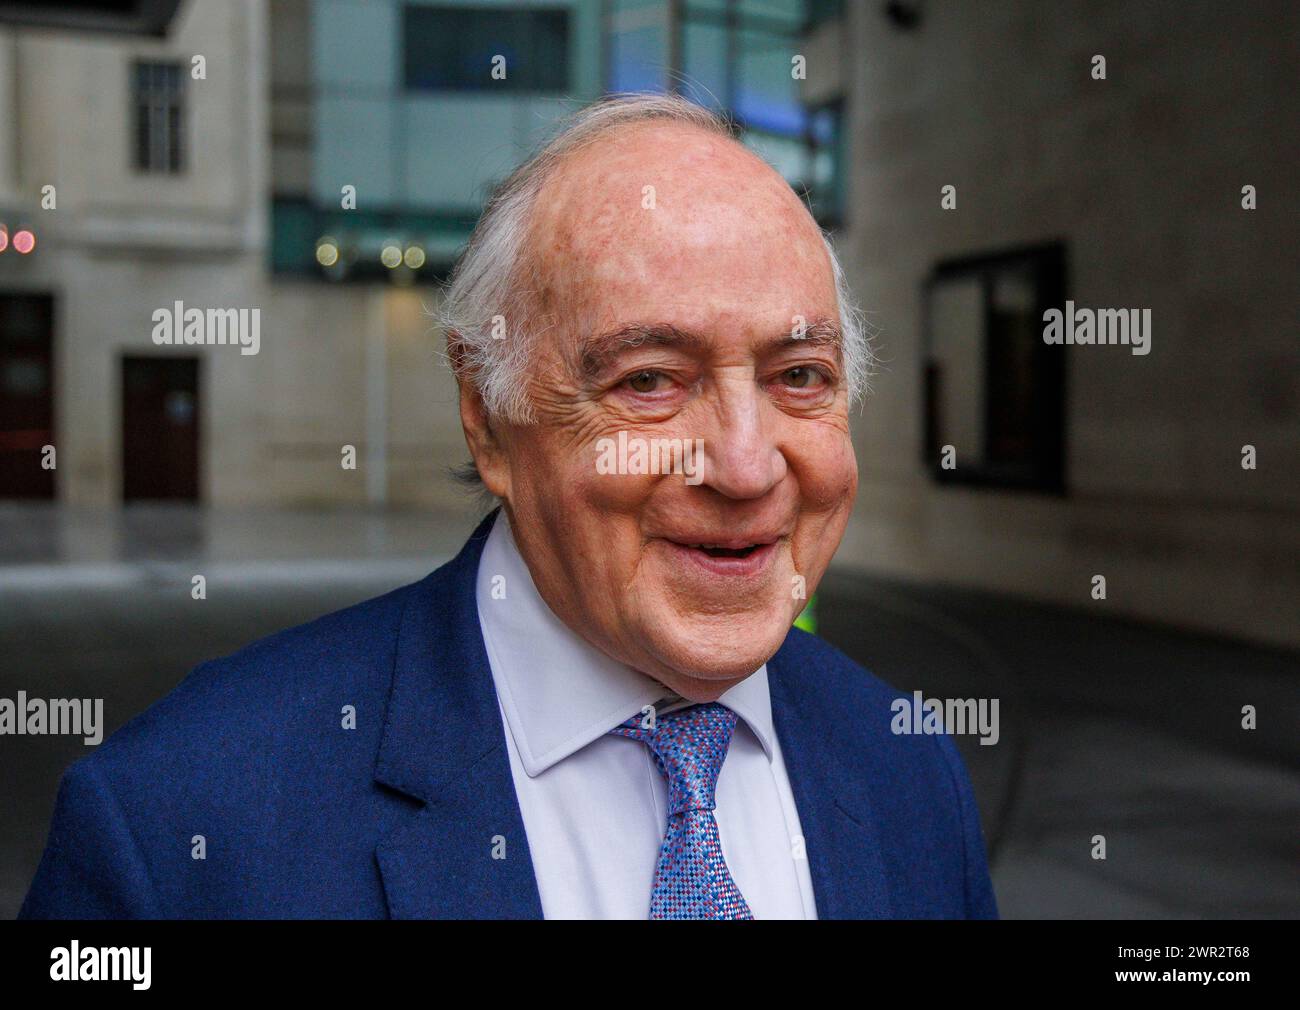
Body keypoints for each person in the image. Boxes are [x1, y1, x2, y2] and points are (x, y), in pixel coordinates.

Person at [21, 94, 997, 920]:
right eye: (650, 379)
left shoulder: (906, 765)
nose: (743, 466)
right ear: (487, 417)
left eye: (798, 375)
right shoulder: (181, 825)